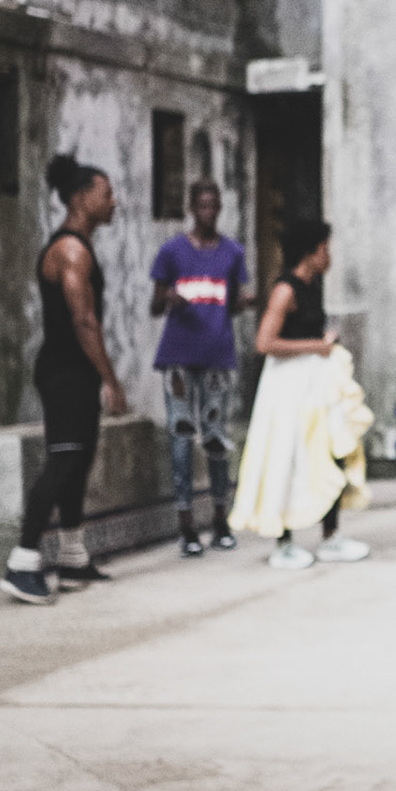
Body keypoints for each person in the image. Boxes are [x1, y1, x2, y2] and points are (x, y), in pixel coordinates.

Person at [0, 154, 129, 605]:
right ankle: (22, 562)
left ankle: (72, 557)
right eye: (106, 193)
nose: (114, 202)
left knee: (78, 458)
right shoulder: (71, 250)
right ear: (80, 198)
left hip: (73, 372)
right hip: (65, 371)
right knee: (63, 461)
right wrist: (111, 380)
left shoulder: (78, 246)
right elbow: (84, 322)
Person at [230, 220, 374, 570]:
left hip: (315, 383)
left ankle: (331, 536)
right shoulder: (286, 290)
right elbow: (264, 343)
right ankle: (284, 542)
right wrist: (317, 345)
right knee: (287, 456)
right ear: (312, 252)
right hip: (288, 386)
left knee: (332, 450)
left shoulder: (312, 286)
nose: (330, 255)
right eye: (326, 248)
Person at [149, 178, 249, 557]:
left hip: (216, 357)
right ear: (192, 208)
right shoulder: (172, 252)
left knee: (216, 437)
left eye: (213, 206)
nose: (208, 212)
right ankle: (186, 525)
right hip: (178, 354)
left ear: (219, 208)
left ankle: (221, 519)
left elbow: (236, 304)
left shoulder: (232, 253)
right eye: (201, 206)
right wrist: (170, 298)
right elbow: (155, 305)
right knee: (181, 436)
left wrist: (247, 301)